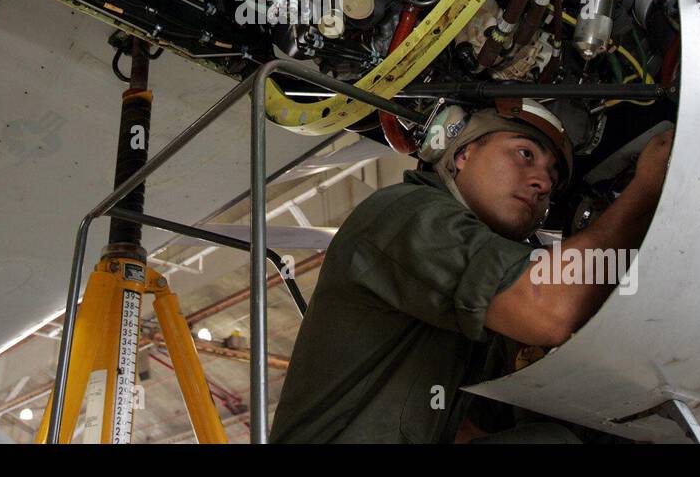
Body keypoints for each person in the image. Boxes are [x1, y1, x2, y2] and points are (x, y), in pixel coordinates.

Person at [269, 99, 674, 443]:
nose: (541, 182)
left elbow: (472, 425)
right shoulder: (406, 212)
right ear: (462, 154)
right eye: (525, 154)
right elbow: (549, 309)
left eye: (552, 178)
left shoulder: (488, 280)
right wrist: (644, 194)